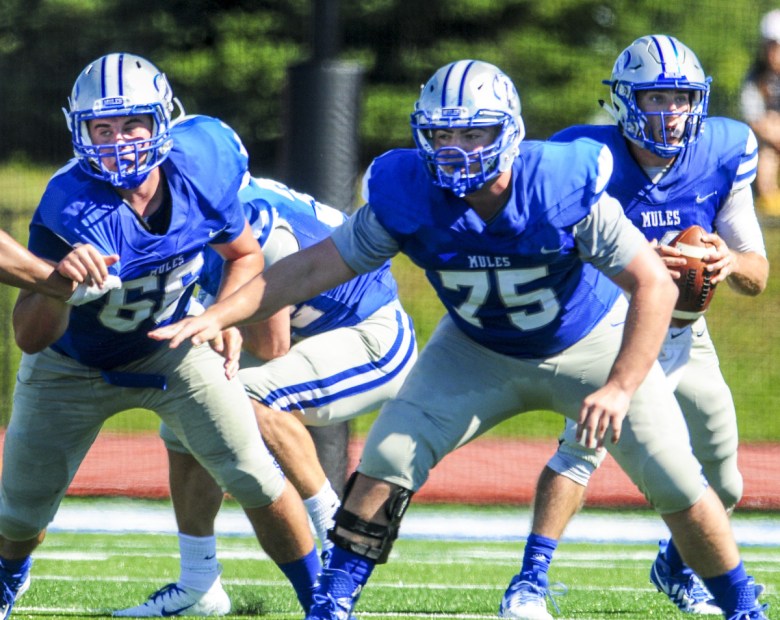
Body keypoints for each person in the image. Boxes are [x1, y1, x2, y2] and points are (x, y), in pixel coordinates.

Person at [148, 59, 768, 620]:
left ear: (510, 133)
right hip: (475, 346)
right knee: (389, 457)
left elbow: (654, 286)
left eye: (474, 133)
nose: (456, 148)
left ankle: (740, 604)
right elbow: (313, 267)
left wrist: (621, 385)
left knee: (675, 478)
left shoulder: (556, 180)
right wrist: (223, 314)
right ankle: (332, 601)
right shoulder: (407, 190)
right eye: (443, 133)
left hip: (589, 341)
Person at [0, 53, 321, 620]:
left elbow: (244, 253)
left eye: (132, 125)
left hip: (174, 348)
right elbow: (29, 338)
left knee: (254, 474)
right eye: (102, 128)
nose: (118, 142)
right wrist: (61, 286)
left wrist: (219, 316)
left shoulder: (202, 165)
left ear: (162, 122)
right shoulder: (69, 202)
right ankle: (10, 576)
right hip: (73, 365)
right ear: (80, 131)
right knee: (21, 513)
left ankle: (324, 602)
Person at [508, 34, 770, 620]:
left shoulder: (724, 149)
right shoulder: (584, 157)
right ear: (626, 101)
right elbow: (543, 247)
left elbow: (758, 274)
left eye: (682, 98)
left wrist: (726, 263)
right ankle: (530, 580)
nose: (672, 112)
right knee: (582, 448)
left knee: (724, 482)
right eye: (656, 97)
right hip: (613, 328)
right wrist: (632, 257)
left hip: (686, 333)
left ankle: (676, 565)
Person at [115, 176, 417, 616]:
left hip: (370, 333)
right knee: (186, 415)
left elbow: (271, 345)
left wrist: (215, 312)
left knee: (249, 400)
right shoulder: (201, 209)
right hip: (307, 333)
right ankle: (199, 583)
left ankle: (334, 534)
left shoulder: (256, 223)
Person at [740, 9, 780, 216]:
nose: (773, 53)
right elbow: (754, 118)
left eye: (777, 47)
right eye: (769, 46)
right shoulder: (755, 76)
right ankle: (771, 205)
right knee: (766, 153)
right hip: (771, 139)